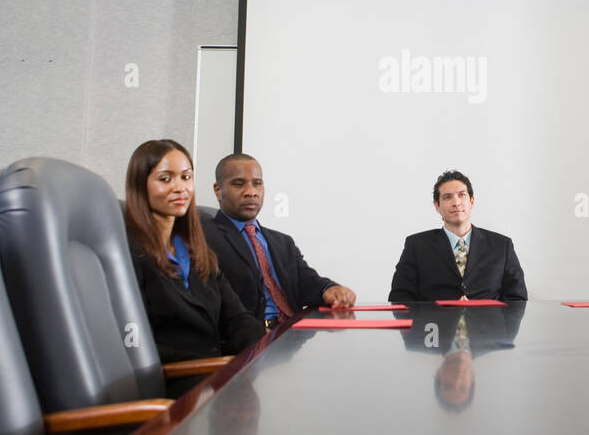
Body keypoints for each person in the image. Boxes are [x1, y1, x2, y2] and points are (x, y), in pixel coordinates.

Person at [124, 139, 265, 362]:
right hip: (175, 380)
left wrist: (265, 349)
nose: (180, 187)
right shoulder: (129, 252)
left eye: (186, 177)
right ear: (140, 186)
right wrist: (215, 366)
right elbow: (134, 342)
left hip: (212, 373)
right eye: (165, 179)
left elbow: (237, 318)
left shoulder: (198, 250)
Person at [202, 153, 355, 326]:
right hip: (248, 339)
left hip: (292, 335)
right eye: (239, 184)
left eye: (257, 184)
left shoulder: (282, 242)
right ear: (218, 190)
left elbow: (306, 281)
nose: (251, 192)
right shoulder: (204, 239)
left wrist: (329, 289)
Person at [388, 170, 527, 303]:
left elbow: (517, 300)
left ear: (471, 201)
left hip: (487, 326)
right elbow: (400, 298)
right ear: (437, 206)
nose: (456, 202)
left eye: (462, 195)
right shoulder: (416, 246)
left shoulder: (502, 246)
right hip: (434, 326)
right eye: (447, 197)